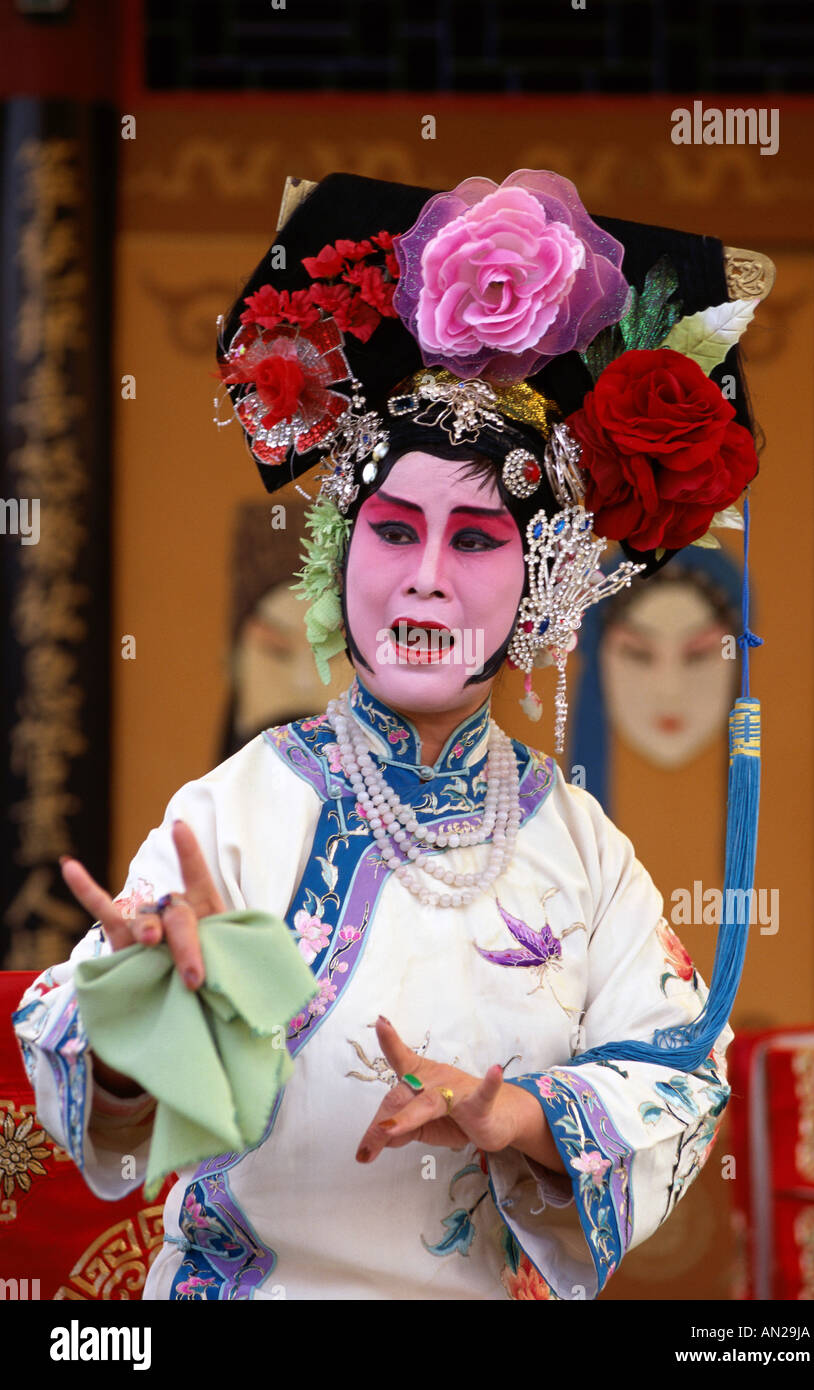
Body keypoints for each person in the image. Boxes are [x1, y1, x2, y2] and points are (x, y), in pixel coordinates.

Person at [13, 169, 762, 1300]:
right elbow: (106, 1104)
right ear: (337, 550)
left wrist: (513, 1112)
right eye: (394, 529)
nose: (421, 581)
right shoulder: (233, 811)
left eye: (473, 540)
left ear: (540, 581)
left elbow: (674, 1073)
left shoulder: (582, 848)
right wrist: (143, 1016)